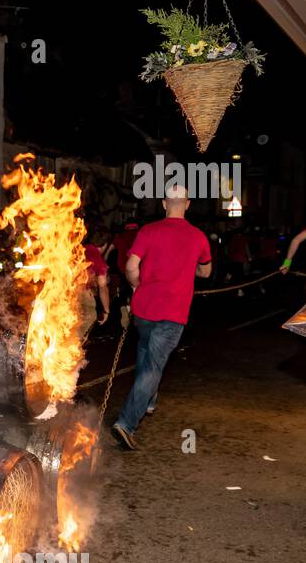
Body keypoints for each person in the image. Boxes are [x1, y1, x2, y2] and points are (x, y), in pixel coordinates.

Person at [111, 185, 212, 451]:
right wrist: (191, 267)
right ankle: (127, 423)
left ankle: (149, 400)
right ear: (187, 204)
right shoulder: (198, 237)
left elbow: (131, 266)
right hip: (173, 313)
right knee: (153, 367)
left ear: (165, 203)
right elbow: (206, 271)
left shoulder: (148, 231)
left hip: (143, 309)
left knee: (146, 354)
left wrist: (135, 284)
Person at [81, 230, 112, 338]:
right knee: (86, 321)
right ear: (104, 245)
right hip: (82, 293)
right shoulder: (98, 260)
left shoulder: (79, 249)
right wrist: (106, 311)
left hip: (61, 291)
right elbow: (102, 286)